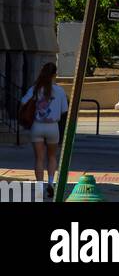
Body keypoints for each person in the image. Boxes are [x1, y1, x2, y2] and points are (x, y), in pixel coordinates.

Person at [20, 62, 68, 199]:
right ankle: (51, 183)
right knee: (52, 156)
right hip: (53, 126)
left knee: (39, 158)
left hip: (38, 125)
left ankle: (40, 187)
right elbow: (65, 110)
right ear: (55, 75)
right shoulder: (59, 91)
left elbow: (23, 102)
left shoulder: (36, 89)